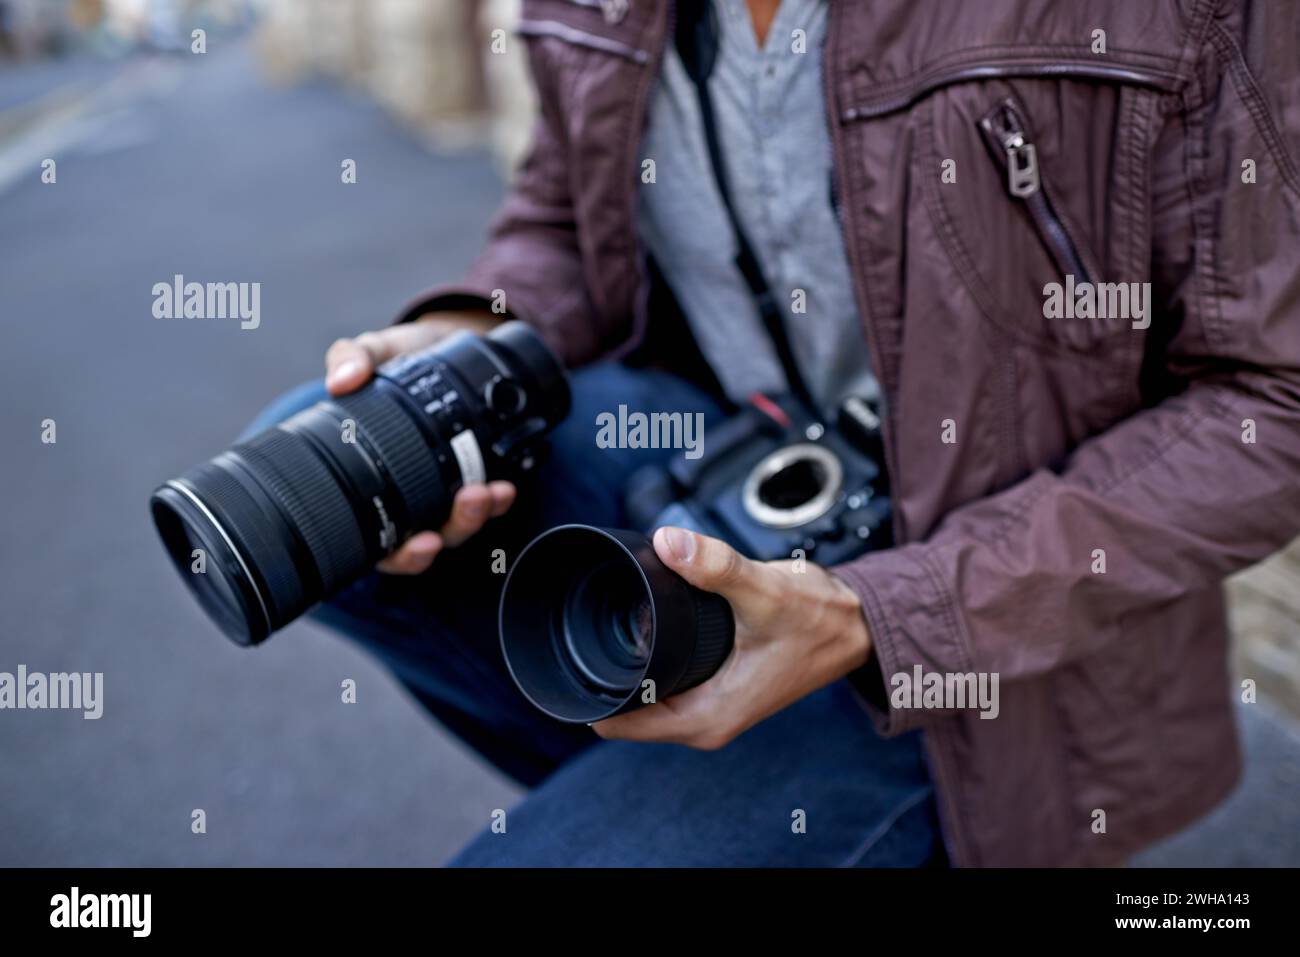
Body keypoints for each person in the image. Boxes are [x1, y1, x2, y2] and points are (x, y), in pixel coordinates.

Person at [246, 0, 1300, 866]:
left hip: (976, 617)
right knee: (329, 468)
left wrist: (878, 614)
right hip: (719, 479)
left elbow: (1274, 403)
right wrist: (463, 340)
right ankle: (683, 789)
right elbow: (565, 213)